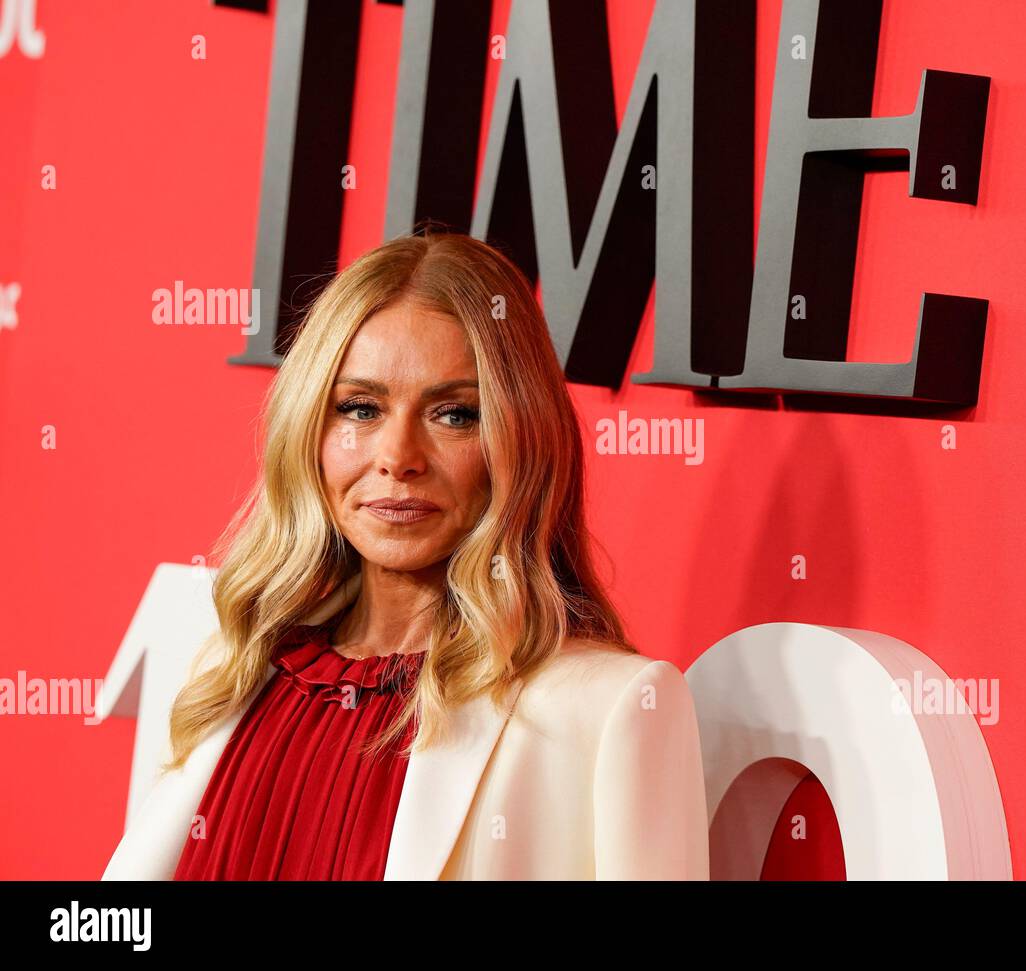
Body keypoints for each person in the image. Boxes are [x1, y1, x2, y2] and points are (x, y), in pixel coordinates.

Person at [101, 227, 710, 880]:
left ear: (524, 438)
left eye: (454, 414)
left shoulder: (610, 709)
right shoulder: (230, 659)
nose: (397, 457)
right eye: (359, 408)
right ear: (309, 428)